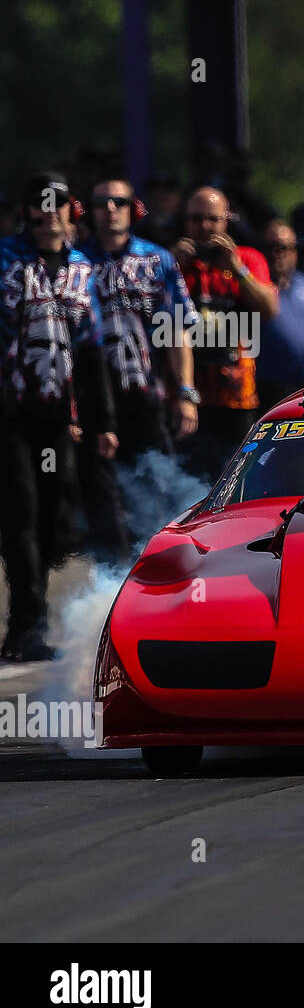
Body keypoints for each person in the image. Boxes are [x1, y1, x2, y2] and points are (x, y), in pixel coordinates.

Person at [0, 172, 117, 661]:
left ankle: (35, 614)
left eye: (58, 204)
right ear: (28, 210)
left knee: (56, 519)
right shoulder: (5, 260)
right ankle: (27, 626)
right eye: (40, 203)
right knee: (21, 513)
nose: (50, 212)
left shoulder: (83, 269)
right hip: (10, 414)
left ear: (71, 211)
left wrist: (103, 420)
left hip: (58, 416)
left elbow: (92, 352)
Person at [80, 176, 200, 560]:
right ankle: (110, 591)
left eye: (118, 201)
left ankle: (168, 575)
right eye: (101, 202)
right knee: (104, 504)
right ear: (88, 210)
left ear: (134, 209)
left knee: (161, 491)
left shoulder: (157, 259)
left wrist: (186, 393)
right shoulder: (74, 262)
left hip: (150, 396)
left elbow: (178, 330)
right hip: (94, 402)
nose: (110, 209)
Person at [173, 185, 278, 480]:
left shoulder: (247, 258)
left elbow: (270, 310)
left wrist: (237, 269)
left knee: (236, 479)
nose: (205, 227)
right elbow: (148, 313)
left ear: (227, 220)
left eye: (212, 219)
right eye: (196, 219)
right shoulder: (170, 261)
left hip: (236, 394)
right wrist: (174, 267)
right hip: (187, 395)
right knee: (187, 478)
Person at [258, 219, 304, 409]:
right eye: (270, 247)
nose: (277, 254)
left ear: (295, 252)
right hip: (266, 391)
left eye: (284, 247)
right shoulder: (255, 287)